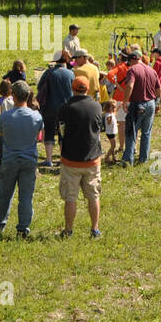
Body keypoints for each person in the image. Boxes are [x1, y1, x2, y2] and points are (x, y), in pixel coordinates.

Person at [0, 81, 43, 236]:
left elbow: (0, 133)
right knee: (26, 196)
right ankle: (23, 228)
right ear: (28, 96)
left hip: (9, 159)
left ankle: (0, 224)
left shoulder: (5, 116)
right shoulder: (36, 116)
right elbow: (38, 135)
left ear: (13, 96)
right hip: (29, 160)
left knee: (5, 194)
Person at [57, 76, 104, 238]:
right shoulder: (97, 107)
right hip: (92, 159)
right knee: (93, 196)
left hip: (71, 160)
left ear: (73, 88)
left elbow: (61, 134)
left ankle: (68, 230)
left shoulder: (65, 108)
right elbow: (99, 130)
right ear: (88, 88)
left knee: (70, 197)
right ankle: (95, 229)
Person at [120, 48, 160, 166]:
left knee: (131, 132)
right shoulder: (151, 70)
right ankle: (143, 159)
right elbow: (159, 89)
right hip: (151, 104)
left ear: (133, 60)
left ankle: (128, 159)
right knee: (146, 132)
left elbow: (130, 86)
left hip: (138, 104)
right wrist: (157, 103)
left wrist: (125, 101)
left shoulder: (132, 70)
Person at [37, 51, 76, 167]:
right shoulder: (71, 73)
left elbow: (39, 87)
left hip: (50, 107)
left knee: (49, 132)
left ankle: (49, 159)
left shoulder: (48, 73)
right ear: (66, 60)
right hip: (66, 108)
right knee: (63, 134)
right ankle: (63, 158)